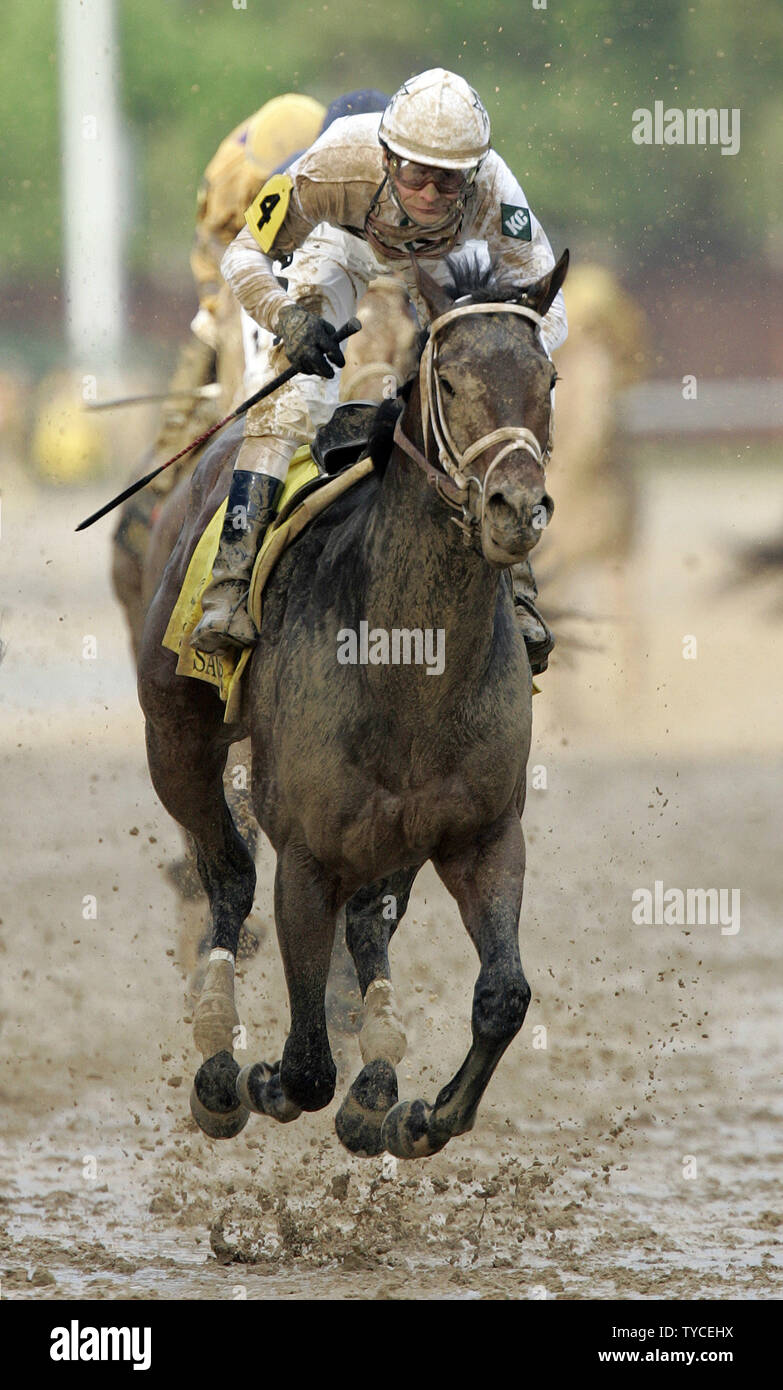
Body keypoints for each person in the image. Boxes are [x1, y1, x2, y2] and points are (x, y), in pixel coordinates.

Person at [191, 69, 568, 673]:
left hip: (446, 260)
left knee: (493, 393)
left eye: (448, 182)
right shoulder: (331, 164)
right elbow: (243, 252)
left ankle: (520, 596)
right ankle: (229, 587)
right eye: (415, 173)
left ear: (473, 174)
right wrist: (287, 318)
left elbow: (547, 305)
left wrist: (502, 355)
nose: (427, 193)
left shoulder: (497, 191)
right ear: (387, 155)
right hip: (338, 245)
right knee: (286, 401)